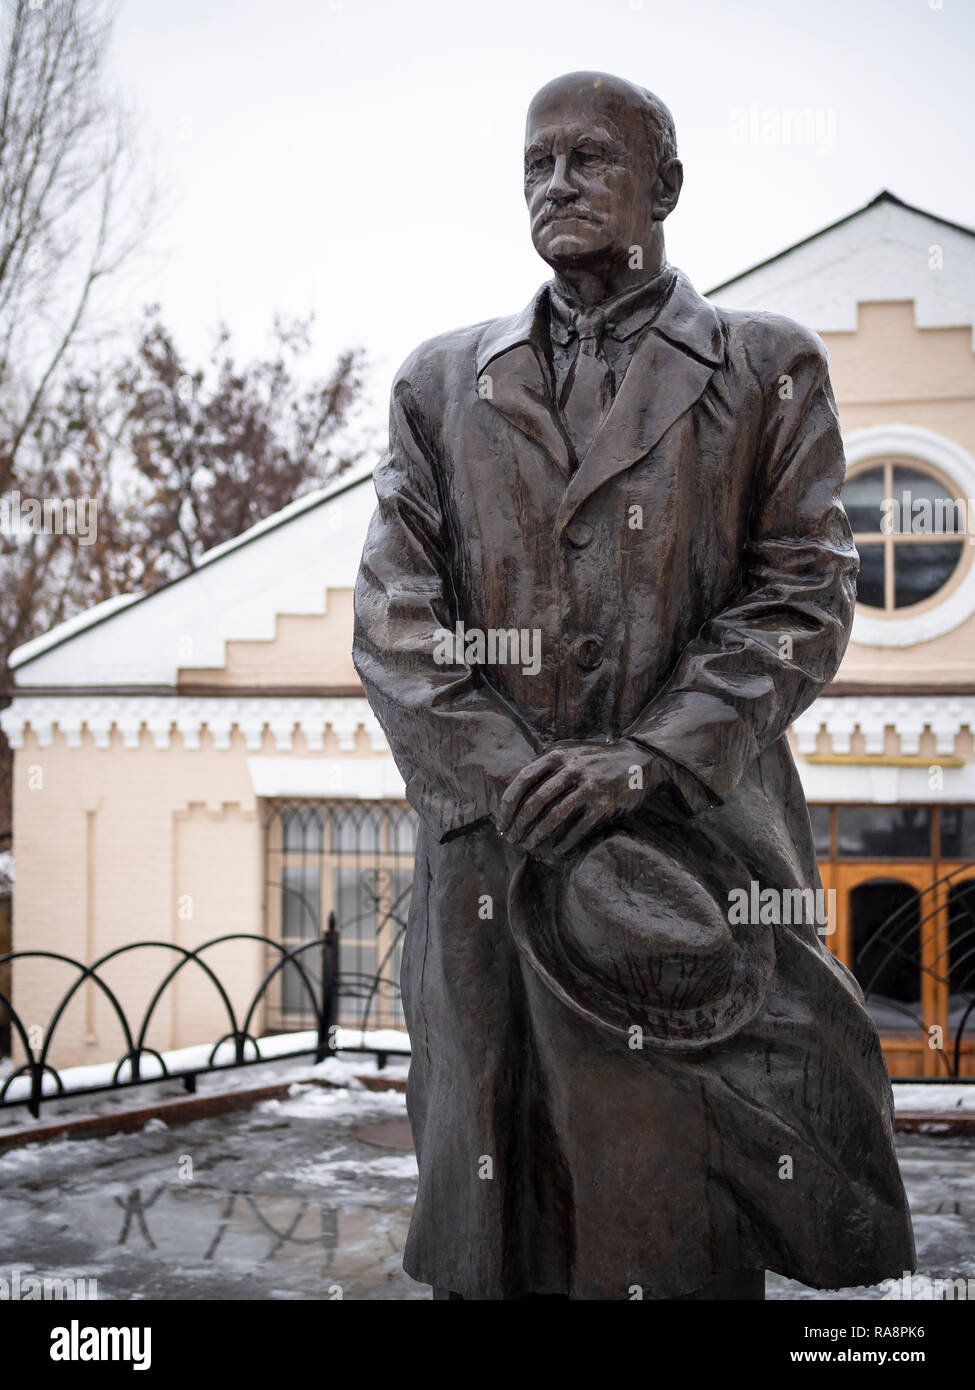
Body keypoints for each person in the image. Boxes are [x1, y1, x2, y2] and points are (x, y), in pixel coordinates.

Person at [352, 70, 915, 1300]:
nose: (556, 184)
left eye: (589, 159)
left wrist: (646, 760)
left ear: (664, 184)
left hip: (685, 854)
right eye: (535, 165)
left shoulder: (767, 368)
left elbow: (806, 591)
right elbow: (396, 618)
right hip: (495, 875)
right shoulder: (440, 384)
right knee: (499, 1220)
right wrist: (521, 783)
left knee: (667, 1217)